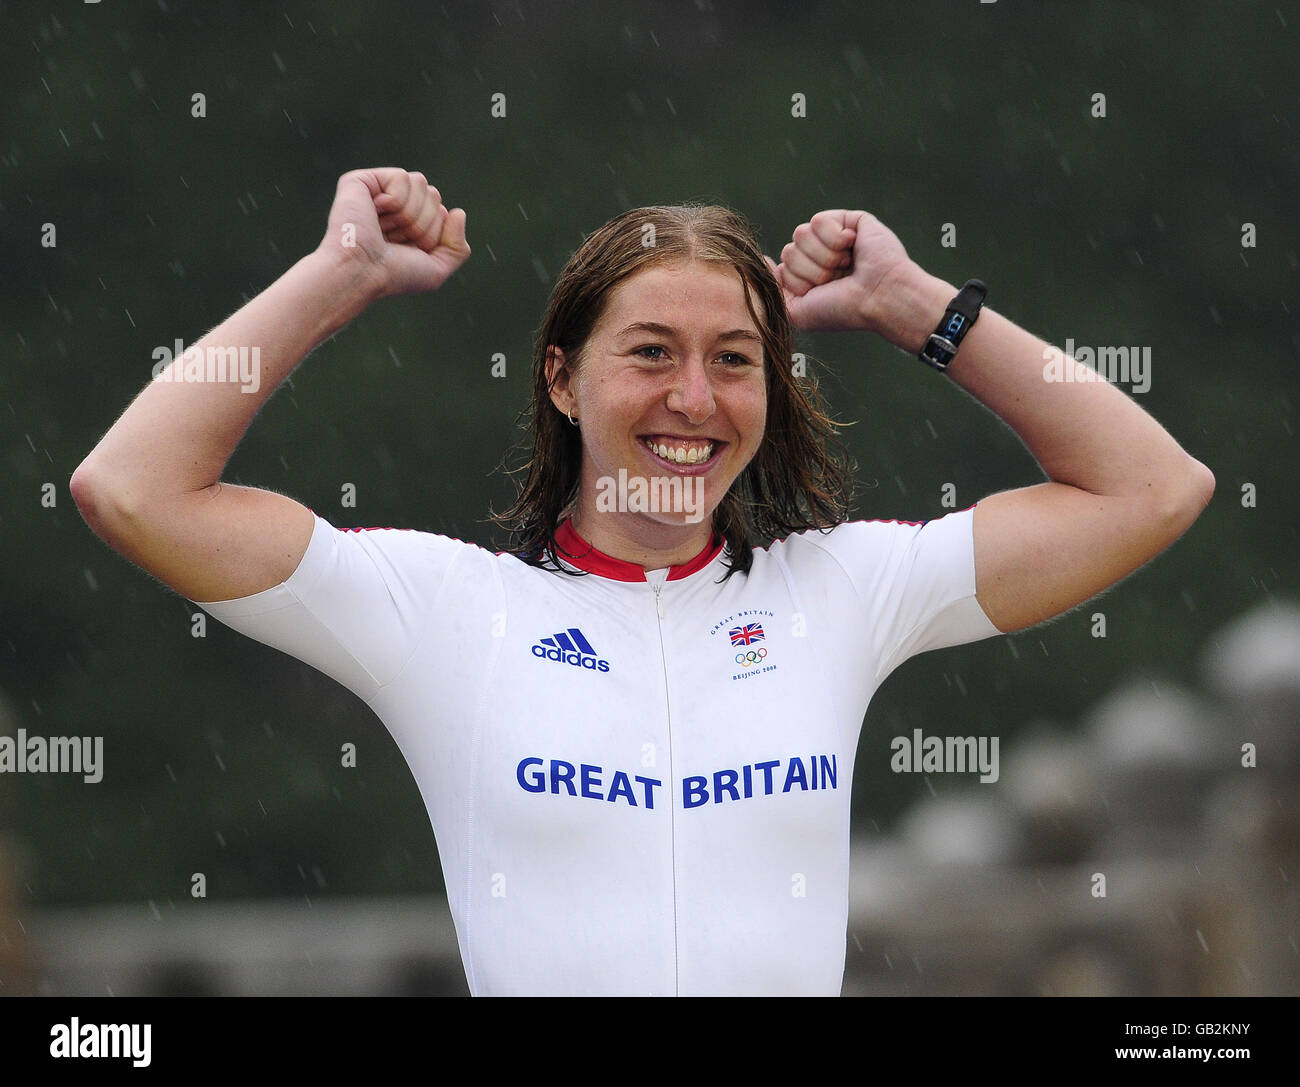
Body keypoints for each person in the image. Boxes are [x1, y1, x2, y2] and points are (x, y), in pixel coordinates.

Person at [70, 167, 1214, 996]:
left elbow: (1151, 489)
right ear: (562, 380)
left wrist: (916, 307)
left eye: (734, 360)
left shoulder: (843, 590)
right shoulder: (447, 612)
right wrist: (341, 276)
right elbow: (132, 489)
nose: (694, 399)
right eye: (651, 352)